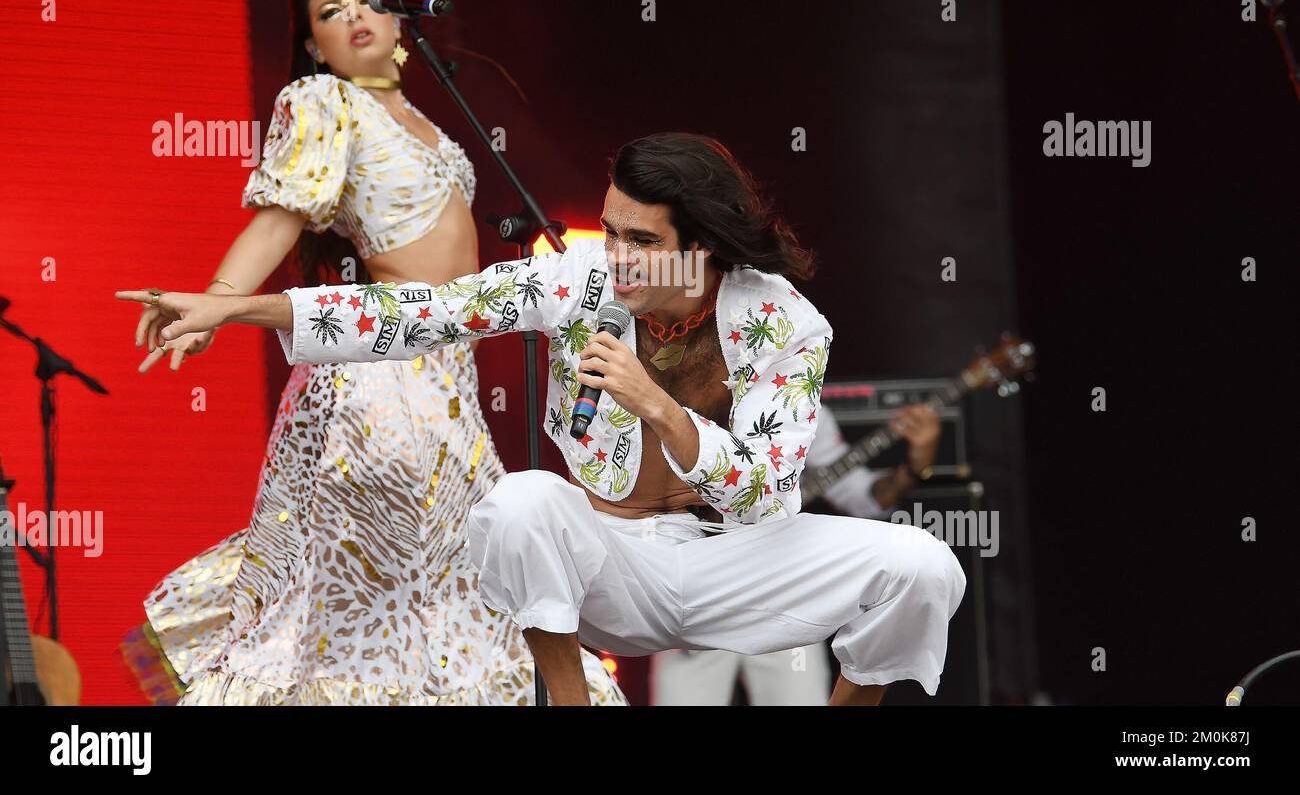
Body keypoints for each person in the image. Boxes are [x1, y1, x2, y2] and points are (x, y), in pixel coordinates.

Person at [118, 132, 966, 706]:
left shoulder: (786, 322)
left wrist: (661, 408)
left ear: (701, 245)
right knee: (521, 502)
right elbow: (415, 311)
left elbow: (764, 490)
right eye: (612, 228)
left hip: (743, 560)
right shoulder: (578, 282)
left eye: (640, 238)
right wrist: (233, 310)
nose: (616, 253)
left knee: (922, 565)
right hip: (614, 562)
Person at [119, 0, 624, 706]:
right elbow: (278, 220)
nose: (353, 15)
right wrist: (216, 304)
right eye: (330, 12)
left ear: (400, 24)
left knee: (452, 584)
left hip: (447, 377)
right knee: (384, 596)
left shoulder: (428, 121)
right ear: (312, 46)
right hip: (378, 380)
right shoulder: (323, 101)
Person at [649, 401, 942, 705]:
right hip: (696, 591)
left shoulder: (801, 402)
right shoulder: (679, 395)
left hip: (782, 593)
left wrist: (912, 470)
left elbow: (860, 498)